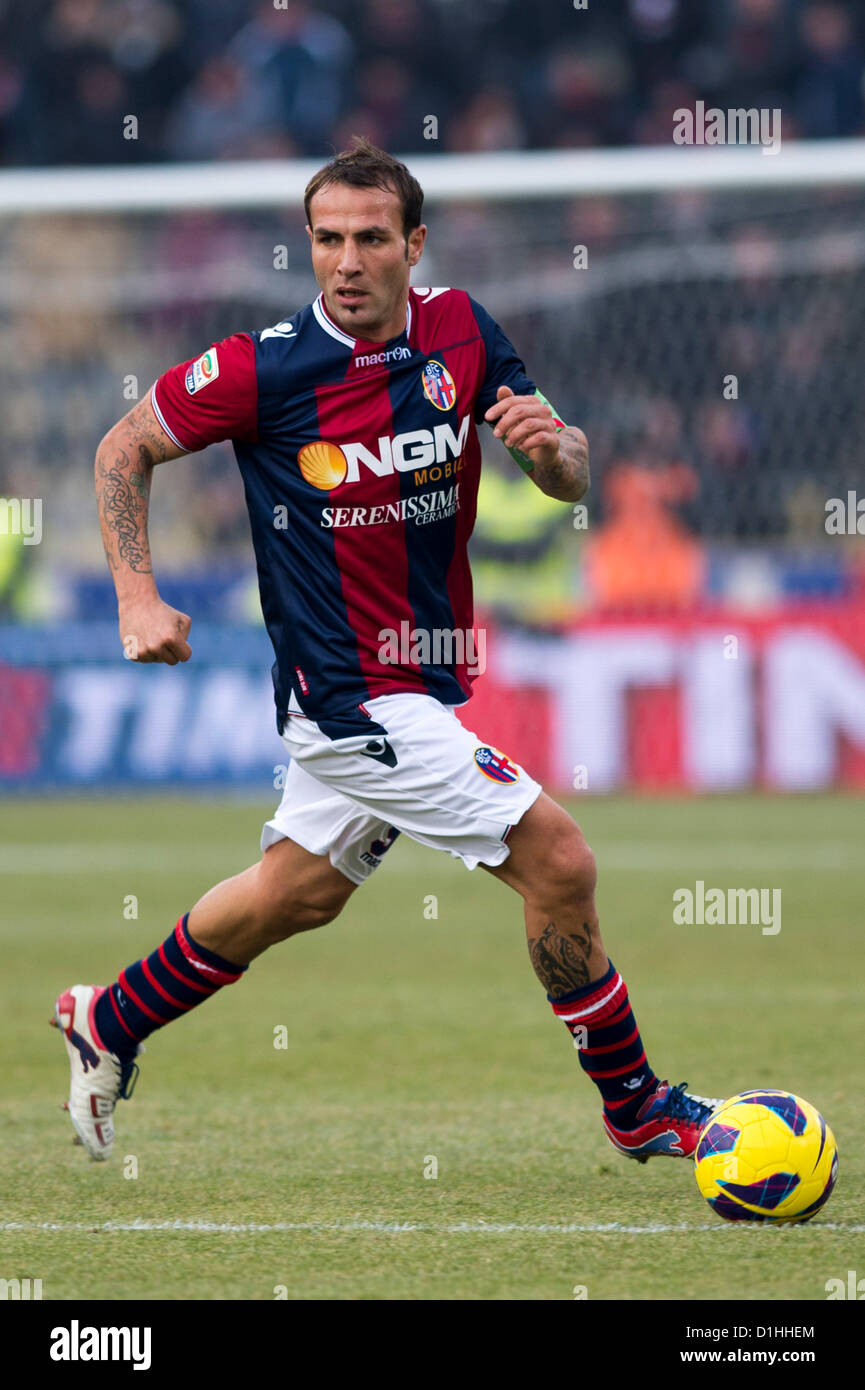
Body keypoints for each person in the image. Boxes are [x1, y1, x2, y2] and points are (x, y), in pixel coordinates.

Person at [53, 138, 719, 1164]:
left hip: (420, 676)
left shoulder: (462, 330)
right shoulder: (263, 366)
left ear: (414, 245)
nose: (347, 261)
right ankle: (634, 1106)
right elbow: (122, 447)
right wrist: (136, 596)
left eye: (370, 238)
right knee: (559, 860)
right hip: (349, 697)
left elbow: (566, 471)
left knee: (297, 892)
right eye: (327, 240)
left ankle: (110, 1017)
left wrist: (556, 453)